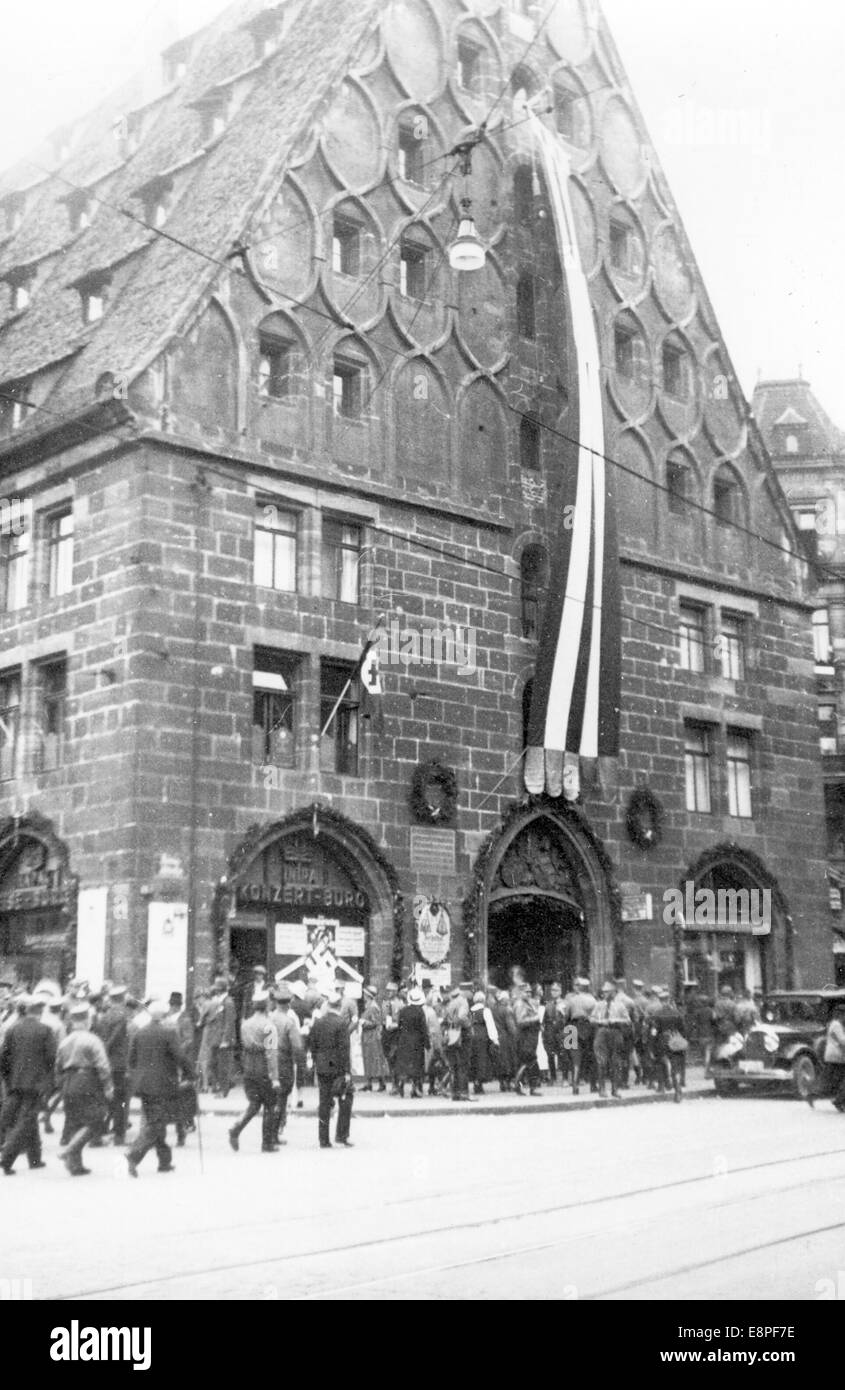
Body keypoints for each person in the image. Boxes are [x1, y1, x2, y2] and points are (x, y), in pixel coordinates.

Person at [125, 998, 194, 1177]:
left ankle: (165, 1161)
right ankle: (133, 1156)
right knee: (157, 1124)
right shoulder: (169, 1033)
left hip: (143, 1085)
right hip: (163, 1085)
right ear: (163, 1015)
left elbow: (131, 1059)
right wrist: (191, 1074)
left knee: (156, 1121)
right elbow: (180, 1056)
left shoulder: (140, 1033)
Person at [0, 994, 57, 1175]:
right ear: (40, 1011)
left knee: (28, 1119)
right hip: (36, 1083)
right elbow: (51, 1058)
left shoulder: (12, 1029)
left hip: (15, 1082)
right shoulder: (45, 1030)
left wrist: (9, 1080)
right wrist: (48, 1080)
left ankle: (35, 1158)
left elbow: (3, 1058)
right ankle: (7, 1159)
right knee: (26, 1120)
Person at [55, 1001, 113, 1176]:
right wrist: (108, 1087)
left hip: (69, 1081)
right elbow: (103, 1066)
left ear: (73, 1021)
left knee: (74, 1121)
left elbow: (57, 1066)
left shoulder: (65, 1042)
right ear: (87, 1021)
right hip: (88, 1080)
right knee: (96, 1119)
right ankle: (69, 1151)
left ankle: (75, 1165)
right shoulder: (92, 1040)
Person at [228, 989, 280, 1154]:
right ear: (267, 1006)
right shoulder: (269, 1026)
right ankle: (267, 1143)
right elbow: (271, 1053)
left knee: (254, 1104)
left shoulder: (245, 1024)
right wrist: (275, 1077)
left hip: (249, 1067)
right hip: (263, 1068)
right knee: (270, 1105)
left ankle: (237, 1128)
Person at [310, 989, 353, 1149]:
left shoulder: (318, 1022)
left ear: (328, 1005)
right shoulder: (342, 1023)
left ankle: (323, 1139)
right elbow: (344, 1049)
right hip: (338, 1068)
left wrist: (316, 1061)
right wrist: (347, 1071)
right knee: (346, 1098)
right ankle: (341, 1135)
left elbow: (312, 1044)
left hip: (322, 1067)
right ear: (340, 1006)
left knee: (324, 1102)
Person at [94, 984, 130, 1145]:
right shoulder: (122, 1016)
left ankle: (102, 1130)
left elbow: (102, 1038)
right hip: (119, 1062)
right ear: (122, 998)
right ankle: (119, 1135)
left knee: (107, 1098)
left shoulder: (105, 1015)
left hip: (106, 1060)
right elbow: (115, 1039)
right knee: (120, 1099)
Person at [268, 984, 302, 1144]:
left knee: (271, 1099)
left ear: (275, 1003)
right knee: (281, 1098)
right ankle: (275, 1133)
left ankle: (270, 1133)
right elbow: (297, 1046)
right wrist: (300, 1063)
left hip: (269, 1060)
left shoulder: (269, 1018)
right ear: (288, 1004)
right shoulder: (289, 1022)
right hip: (284, 1062)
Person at [648, 987, 687, 1102]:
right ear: (669, 999)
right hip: (675, 1040)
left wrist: (651, 1045)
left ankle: (661, 1086)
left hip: (662, 1042)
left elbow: (654, 1032)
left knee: (660, 1063)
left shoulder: (657, 1014)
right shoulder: (677, 1013)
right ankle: (677, 1091)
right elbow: (683, 1030)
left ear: (660, 1000)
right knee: (675, 1067)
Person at [592, 981, 628, 1098]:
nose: (604, 994)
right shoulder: (598, 1005)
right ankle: (602, 1089)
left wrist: (616, 1020)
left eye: (607, 992)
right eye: (604, 992)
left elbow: (627, 1020)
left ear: (613, 992)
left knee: (615, 1062)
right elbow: (591, 1018)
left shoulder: (620, 1005)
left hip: (615, 1032)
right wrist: (599, 1021)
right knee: (601, 1062)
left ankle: (615, 1089)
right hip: (602, 1032)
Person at [203, 977, 237, 1097]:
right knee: (214, 1064)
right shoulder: (220, 1002)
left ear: (221, 990)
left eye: (218, 989)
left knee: (223, 1066)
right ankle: (219, 1087)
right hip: (216, 1039)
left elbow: (229, 1022)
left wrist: (225, 1040)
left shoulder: (228, 1002)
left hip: (223, 1040)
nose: (216, 991)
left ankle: (223, 1090)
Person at [563, 977, 596, 1095]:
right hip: (588, 1027)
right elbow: (595, 1015)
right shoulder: (592, 1000)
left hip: (572, 1027)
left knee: (574, 1057)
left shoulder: (571, 1000)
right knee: (592, 1056)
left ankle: (575, 1086)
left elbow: (566, 1015)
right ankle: (593, 1085)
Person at [395, 986, 429, 1097]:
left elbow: (399, 1026)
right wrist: (427, 1043)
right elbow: (424, 1029)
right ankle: (415, 1089)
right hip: (416, 1042)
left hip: (403, 1040)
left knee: (404, 1064)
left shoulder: (403, 1011)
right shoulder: (420, 1012)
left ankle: (401, 1083)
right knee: (416, 1066)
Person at [512, 982, 542, 1096]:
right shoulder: (520, 1004)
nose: (529, 994)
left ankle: (519, 1086)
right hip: (525, 1037)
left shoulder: (527, 1003)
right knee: (531, 1061)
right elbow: (520, 1021)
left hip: (529, 1037)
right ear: (520, 993)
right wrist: (535, 1018)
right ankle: (529, 1087)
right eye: (526, 992)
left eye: (530, 992)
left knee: (528, 1062)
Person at [443, 983, 472, 1101]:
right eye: (471, 991)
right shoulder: (463, 1002)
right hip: (462, 1035)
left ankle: (455, 1093)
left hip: (452, 1034)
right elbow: (461, 1017)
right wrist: (469, 1025)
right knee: (463, 1065)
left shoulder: (451, 1003)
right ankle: (464, 1093)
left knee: (454, 1065)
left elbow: (445, 1018)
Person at [815, 1002, 845, 1111]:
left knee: (833, 1079)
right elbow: (842, 1040)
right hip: (836, 1056)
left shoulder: (836, 1024)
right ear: (840, 1014)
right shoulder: (836, 1025)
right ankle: (838, 1100)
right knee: (837, 1080)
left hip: (836, 1056)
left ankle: (838, 1100)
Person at [469, 990, 499, 1095]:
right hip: (482, 1038)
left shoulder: (470, 1011)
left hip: (472, 1037)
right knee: (482, 1060)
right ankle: (479, 1083)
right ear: (483, 1000)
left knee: (474, 1060)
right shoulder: (485, 1011)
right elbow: (490, 1026)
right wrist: (495, 1039)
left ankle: (475, 1082)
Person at [360, 985, 389, 1092]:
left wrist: (364, 1023)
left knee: (374, 1059)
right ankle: (370, 1082)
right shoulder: (370, 1005)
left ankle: (380, 1083)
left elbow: (376, 1022)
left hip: (372, 1036)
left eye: (365, 994)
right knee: (370, 1059)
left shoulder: (373, 1007)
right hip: (368, 1036)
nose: (363, 996)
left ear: (368, 995)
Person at [490, 989, 518, 1091]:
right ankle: (507, 1083)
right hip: (506, 1038)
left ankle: (501, 1083)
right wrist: (515, 1036)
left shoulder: (493, 1009)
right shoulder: (507, 1010)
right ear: (505, 999)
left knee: (499, 1061)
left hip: (495, 1037)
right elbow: (511, 1027)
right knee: (508, 1060)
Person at [381, 981, 403, 1094]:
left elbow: (401, 1021)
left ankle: (396, 1084)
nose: (388, 992)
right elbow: (383, 1017)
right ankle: (394, 1083)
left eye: (391, 990)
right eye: (387, 990)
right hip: (386, 1033)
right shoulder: (385, 1003)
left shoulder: (399, 1004)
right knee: (389, 1059)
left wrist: (394, 1025)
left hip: (395, 1034)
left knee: (394, 1058)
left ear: (395, 991)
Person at [543, 982, 565, 1086]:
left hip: (561, 1031)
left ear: (560, 992)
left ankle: (564, 1079)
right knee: (550, 1055)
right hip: (551, 1032)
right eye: (552, 990)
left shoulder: (564, 1003)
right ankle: (552, 1078)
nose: (554, 992)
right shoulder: (548, 1004)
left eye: (556, 990)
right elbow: (545, 1020)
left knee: (563, 1055)